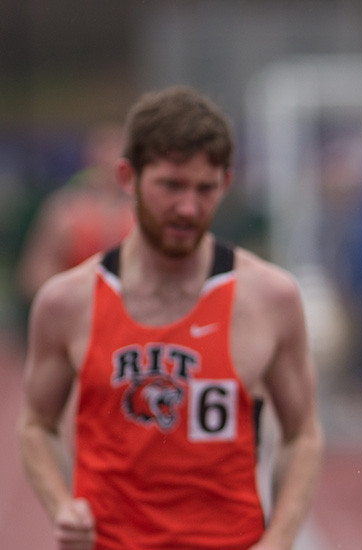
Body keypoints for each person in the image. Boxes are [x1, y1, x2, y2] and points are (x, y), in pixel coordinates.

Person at [17, 86, 323, 550]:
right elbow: (36, 425)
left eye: (206, 189)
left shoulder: (270, 298)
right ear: (128, 177)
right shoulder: (67, 302)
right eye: (172, 186)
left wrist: (279, 540)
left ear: (226, 181)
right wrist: (62, 505)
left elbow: (302, 434)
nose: (188, 207)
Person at [16, 123, 134, 302]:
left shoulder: (142, 209)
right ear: (92, 155)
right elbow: (34, 275)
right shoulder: (66, 208)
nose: (112, 155)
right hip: (79, 309)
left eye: (118, 146)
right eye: (106, 147)